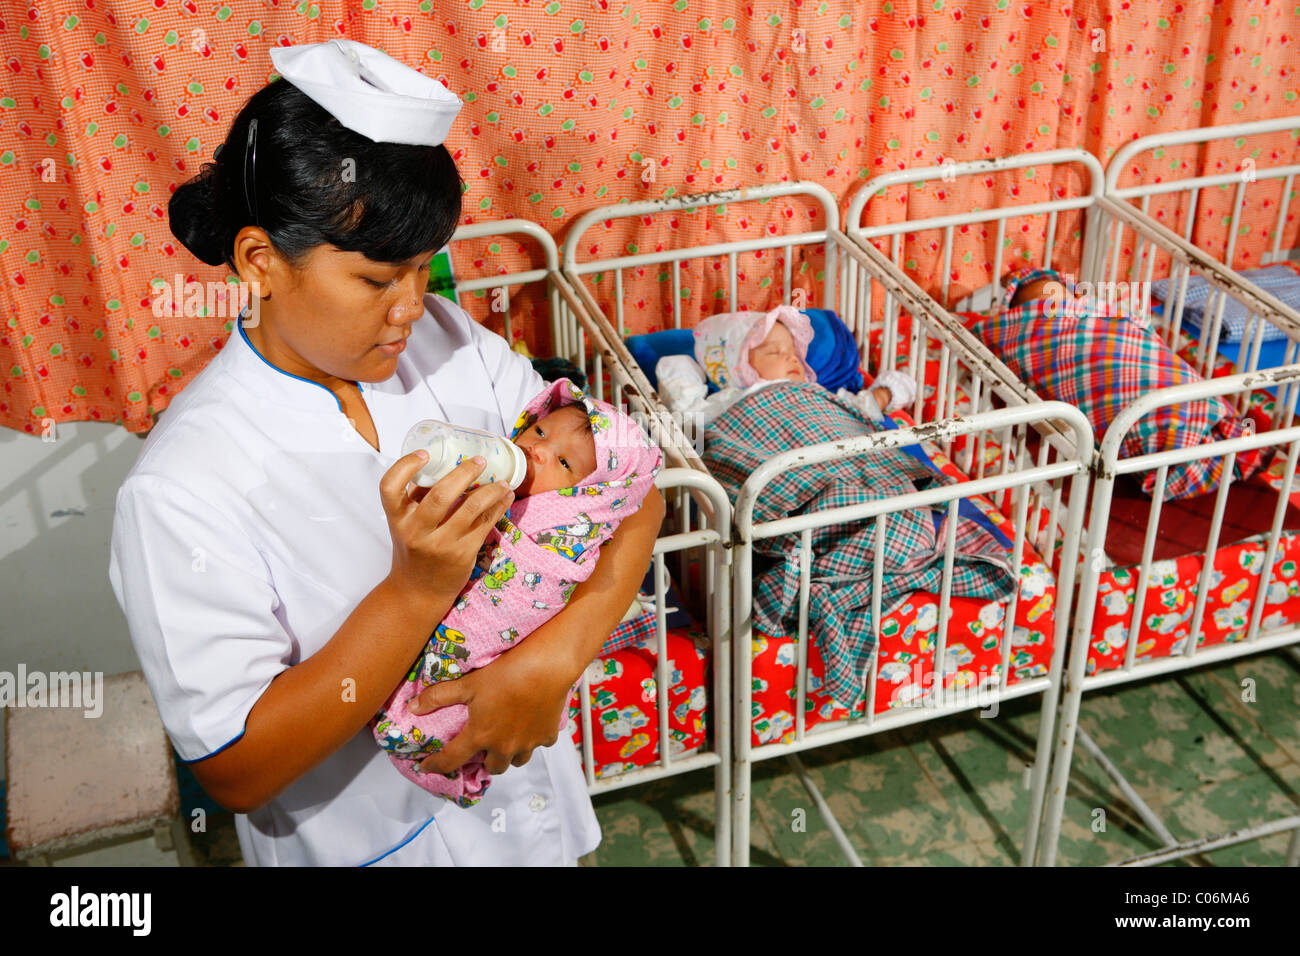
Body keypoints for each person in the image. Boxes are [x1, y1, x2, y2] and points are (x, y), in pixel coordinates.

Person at [107, 39, 664, 866]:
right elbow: (234, 767)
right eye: (376, 281)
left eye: (421, 268)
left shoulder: (450, 343)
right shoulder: (185, 487)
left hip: (535, 817)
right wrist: (416, 591)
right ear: (260, 261)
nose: (411, 308)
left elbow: (630, 494)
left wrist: (556, 657)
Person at [373, 380, 662, 805]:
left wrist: (551, 660)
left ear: (590, 496)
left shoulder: (562, 541)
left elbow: (645, 502)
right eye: (540, 432)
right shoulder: (499, 487)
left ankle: (429, 731)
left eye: (564, 463)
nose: (537, 451)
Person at [654, 304, 916, 428]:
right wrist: (687, 368)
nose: (792, 358)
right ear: (742, 367)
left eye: (794, 352)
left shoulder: (820, 394)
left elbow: (861, 410)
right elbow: (688, 416)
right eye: (774, 352)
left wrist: (886, 392)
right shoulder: (733, 400)